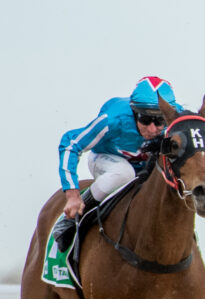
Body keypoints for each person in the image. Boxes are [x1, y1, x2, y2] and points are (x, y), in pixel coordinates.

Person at [51, 76, 183, 249]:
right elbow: (71, 143)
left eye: (160, 121)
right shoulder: (112, 119)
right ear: (134, 112)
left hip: (146, 168)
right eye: (145, 119)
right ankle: (73, 217)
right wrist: (72, 195)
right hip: (105, 160)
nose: (152, 129)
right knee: (124, 173)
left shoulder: (178, 118)